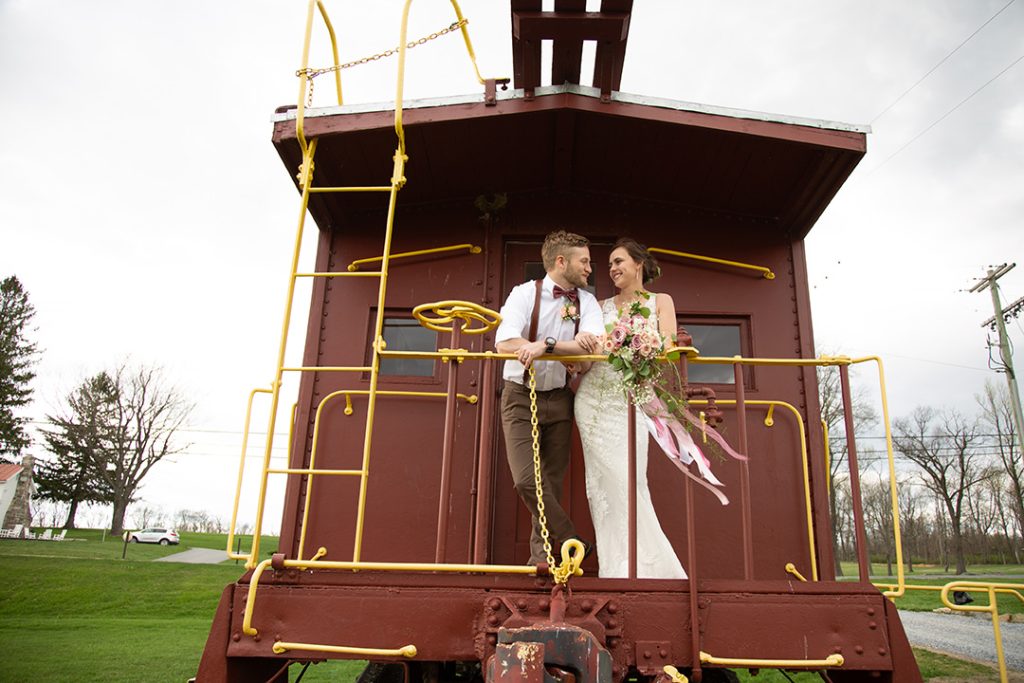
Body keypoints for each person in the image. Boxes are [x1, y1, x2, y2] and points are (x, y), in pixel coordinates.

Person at [573, 237, 687, 579]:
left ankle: (645, 568)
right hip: (594, 402)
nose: (612, 268)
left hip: (631, 400)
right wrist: (576, 361)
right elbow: (589, 358)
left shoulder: (661, 301)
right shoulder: (599, 306)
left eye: (619, 261)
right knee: (602, 489)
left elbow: (667, 347)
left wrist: (638, 347)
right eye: (610, 264)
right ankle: (616, 567)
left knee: (631, 481)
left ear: (639, 264)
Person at [494, 230, 604, 564]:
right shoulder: (524, 294)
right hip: (519, 396)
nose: (589, 269)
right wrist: (565, 348)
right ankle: (570, 537)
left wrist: (545, 346)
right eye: (584, 261)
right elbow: (505, 343)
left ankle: (540, 557)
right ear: (561, 262)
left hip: (560, 398)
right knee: (527, 480)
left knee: (552, 482)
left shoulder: (586, 302)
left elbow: (593, 351)